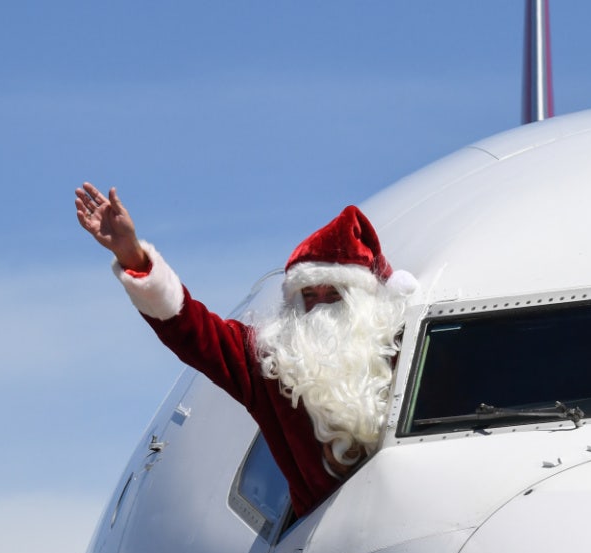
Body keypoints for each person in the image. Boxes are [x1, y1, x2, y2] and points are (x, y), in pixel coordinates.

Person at [75, 183, 417, 517]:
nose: (321, 310)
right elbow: (193, 331)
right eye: (309, 297)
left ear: (363, 302)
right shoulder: (275, 370)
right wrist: (131, 254)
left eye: (335, 295)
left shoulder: (407, 349)